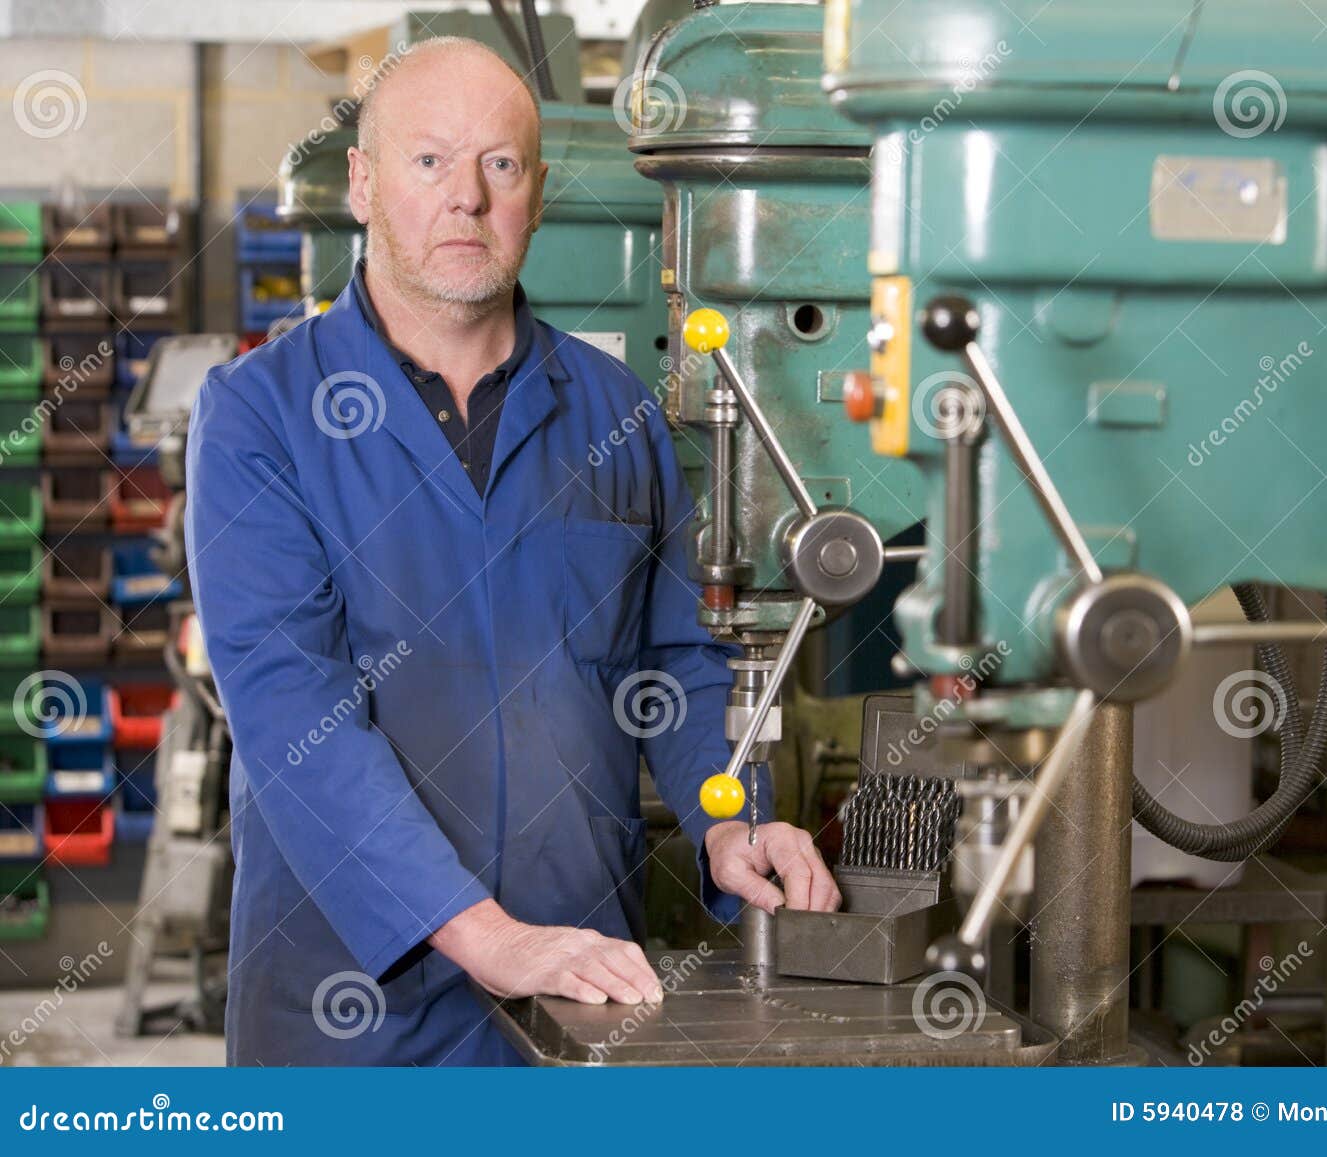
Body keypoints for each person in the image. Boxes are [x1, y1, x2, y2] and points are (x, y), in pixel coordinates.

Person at [186, 36, 839, 1066]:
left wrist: (729, 822)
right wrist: (485, 935)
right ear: (361, 183)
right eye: (429, 161)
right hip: (349, 1009)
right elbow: (289, 709)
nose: (468, 199)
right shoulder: (260, 414)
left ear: (535, 193)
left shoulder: (614, 412)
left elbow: (676, 661)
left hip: (578, 989)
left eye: (500, 165)